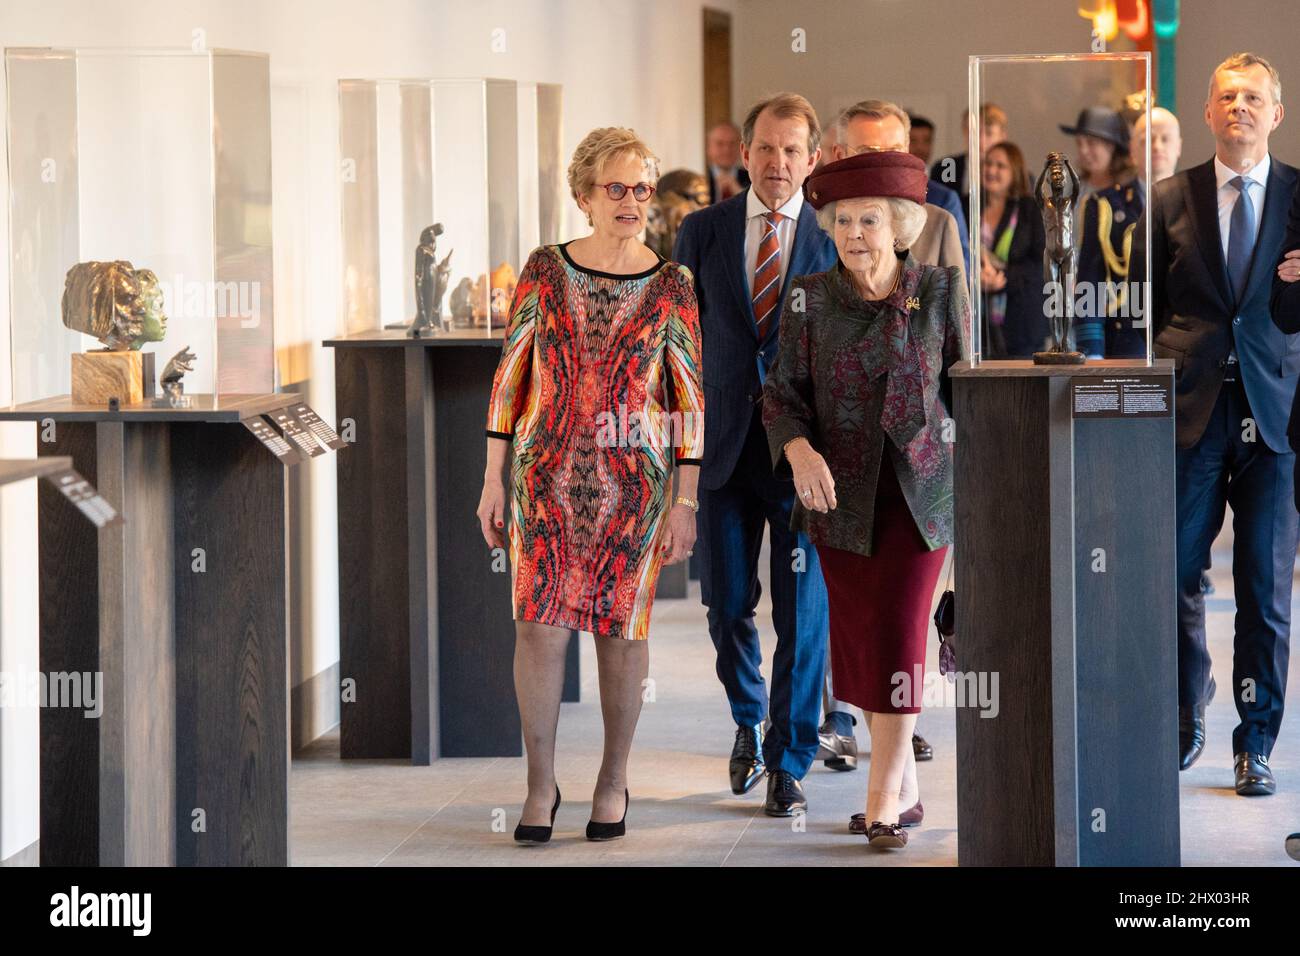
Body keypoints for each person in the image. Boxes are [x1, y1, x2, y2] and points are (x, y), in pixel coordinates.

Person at [478, 127, 705, 843]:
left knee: (620, 637)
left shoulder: (673, 285)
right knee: (538, 630)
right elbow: (511, 377)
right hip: (541, 477)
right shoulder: (544, 270)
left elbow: (687, 401)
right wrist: (491, 481)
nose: (633, 201)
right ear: (584, 197)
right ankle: (540, 785)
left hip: (632, 489)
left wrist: (685, 500)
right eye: (617, 188)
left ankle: (613, 780)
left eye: (642, 188)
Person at [764, 151, 967, 848]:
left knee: (902, 640)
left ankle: (881, 800)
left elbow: (971, 391)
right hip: (839, 502)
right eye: (843, 220)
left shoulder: (938, 290)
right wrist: (798, 450)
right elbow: (781, 397)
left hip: (921, 498)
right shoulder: (810, 300)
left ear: (901, 224)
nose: (855, 233)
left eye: (870, 220)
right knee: (865, 649)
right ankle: (904, 789)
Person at [1134, 52, 1299, 797]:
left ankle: (1254, 740)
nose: (1239, 107)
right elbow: (1138, 314)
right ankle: (1182, 714)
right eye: (1226, 95)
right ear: (1207, 112)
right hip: (1186, 414)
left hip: (1276, 417)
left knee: (1265, 589)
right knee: (1170, 572)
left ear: (1276, 113)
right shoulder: (1168, 197)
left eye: (1253, 97)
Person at [673, 93, 835, 816]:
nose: (778, 163)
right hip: (723, 453)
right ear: (744, 154)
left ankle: (789, 757)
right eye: (765, 149)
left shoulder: (834, 237)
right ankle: (747, 719)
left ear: (813, 158)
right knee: (727, 605)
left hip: (804, 458)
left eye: (792, 150)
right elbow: (676, 347)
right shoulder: (701, 231)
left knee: (804, 614)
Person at [821, 97, 968, 768]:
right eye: (860, 151)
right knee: (839, 612)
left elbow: (960, 355)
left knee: (902, 615)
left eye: (888, 153)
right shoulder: (823, 218)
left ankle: (892, 765)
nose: (873, 166)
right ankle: (833, 725)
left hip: (916, 461)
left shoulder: (937, 231)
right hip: (831, 457)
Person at [1061, 107, 1144, 358]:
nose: (1084, 150)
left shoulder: (1131, 200)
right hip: (1069, 298)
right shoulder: (1074, 188)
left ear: (1114, 147)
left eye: (1093, 142)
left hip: (1117, 314)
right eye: (1080, 143)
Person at [964, 140, 1047, 357]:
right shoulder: (968, 205)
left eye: (1000, 166)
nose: (991, 170)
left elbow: (1040, 262)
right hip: (975, 319)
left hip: (1021, 319)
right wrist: (975, 278)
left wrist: (1000, 278)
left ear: (1015, 171)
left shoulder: (1031, 208)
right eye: (988, 164)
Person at [931, 103, 1007, 199]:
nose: (981, 140)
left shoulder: (1016, 174)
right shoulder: (945, 168)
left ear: (1002, 136)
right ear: (964, 132)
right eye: (974, 132)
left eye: (989, 133)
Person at [1132, 106, 1183, 186]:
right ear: (1132, 149)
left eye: (1165, 139)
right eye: (1148, 139)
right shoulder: (1111, 198)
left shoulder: (1198, 197)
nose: (1157, 147)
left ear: (1178, 147)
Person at [706, 121, 750, 203]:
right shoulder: (699, 179)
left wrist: (739, 192)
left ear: (742, 148)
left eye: (732, 144)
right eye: (720, 144)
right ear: (708, 147)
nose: (727, 150)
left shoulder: (752, 178)